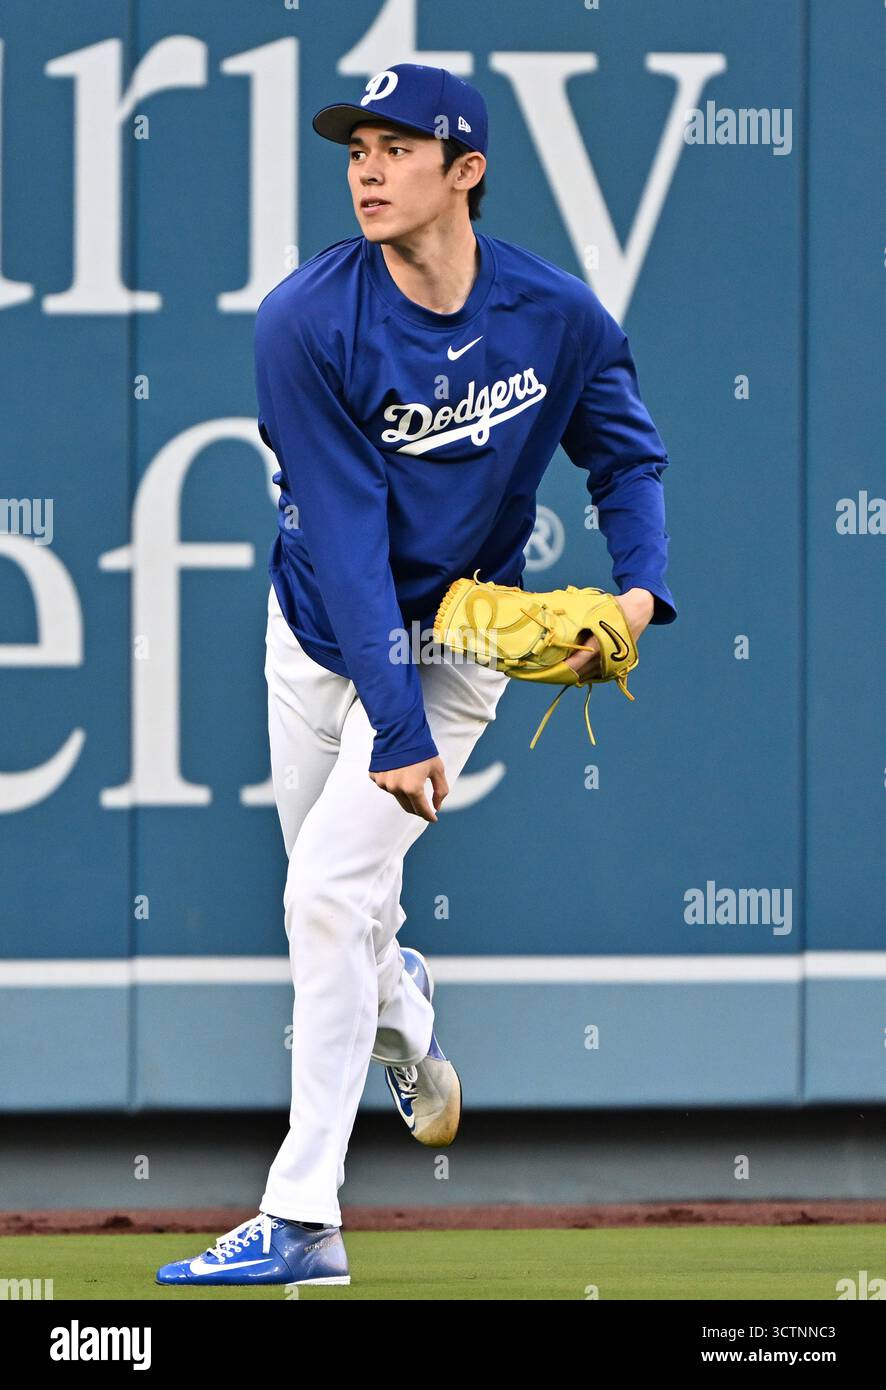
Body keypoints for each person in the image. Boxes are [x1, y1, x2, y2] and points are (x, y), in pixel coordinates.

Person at [156, 61, 676, 1288]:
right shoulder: (306, 318)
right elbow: (341, 545)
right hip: (321, 637)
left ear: (466, 170)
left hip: (455, 641)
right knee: (342, 912)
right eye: (356, 149)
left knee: (329, 900)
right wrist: (391, 731)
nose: (369, 169)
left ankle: (301, 1221)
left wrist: (637, 593)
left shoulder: (554, 316)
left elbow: (626, 459)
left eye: (399, 148)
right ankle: (406, 1012)